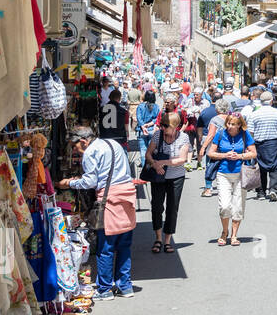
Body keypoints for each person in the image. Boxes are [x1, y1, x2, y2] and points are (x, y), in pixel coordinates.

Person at [58, 126, 136, 299]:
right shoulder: (113, 144)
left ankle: (105, 289)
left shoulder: (90, 152)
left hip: (109, 200)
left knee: (106, 247)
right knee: (124, 245)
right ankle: (125, 286)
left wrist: (69, 183)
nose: (75, 150)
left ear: (84, 142)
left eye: (75, 146)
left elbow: (90, 182)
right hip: (128, 197)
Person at [146, 111, 190, 254]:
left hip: (176, 177)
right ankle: (158, 238)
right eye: (162, 125)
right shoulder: (158, 135)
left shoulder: (183, 137)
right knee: (157, 207)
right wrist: (154, 164)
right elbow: (148, 154)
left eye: (166, 125)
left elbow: (182, 159)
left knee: (172, 208)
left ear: (175, 126)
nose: (163, 128)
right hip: (159, 177)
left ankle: (167, 240)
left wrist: (163, 162)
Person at [209, 112, 256, 246]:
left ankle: (234, 235)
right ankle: (225, 232)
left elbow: (254, 153)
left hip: (241, 174)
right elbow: (211, 152)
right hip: (223, 173)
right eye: (229, 123)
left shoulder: (244, 135)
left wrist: (240, 156)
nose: (230, 126)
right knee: (224, 206)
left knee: (238, 207)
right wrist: (225, 155)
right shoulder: (221, 134)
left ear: (240, 125)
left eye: (233, 124)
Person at [246, 91, 277, 201]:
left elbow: (250, 132)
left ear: (260, 101)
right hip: (274, 143)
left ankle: (261, 193)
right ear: (271, 101)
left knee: (260, 167)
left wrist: (249, 146)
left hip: (259, 143)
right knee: (275, 167)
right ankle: (273, 190)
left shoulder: (254, 114)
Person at [195, 92, 221, 194]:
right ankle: (220, 181)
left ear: (211, 99)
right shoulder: (225, 113)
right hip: (222, 138)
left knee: (209, 160)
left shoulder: (205, 111)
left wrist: (201, 138)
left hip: (207, 137)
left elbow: (199, 126)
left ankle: (208, 184)